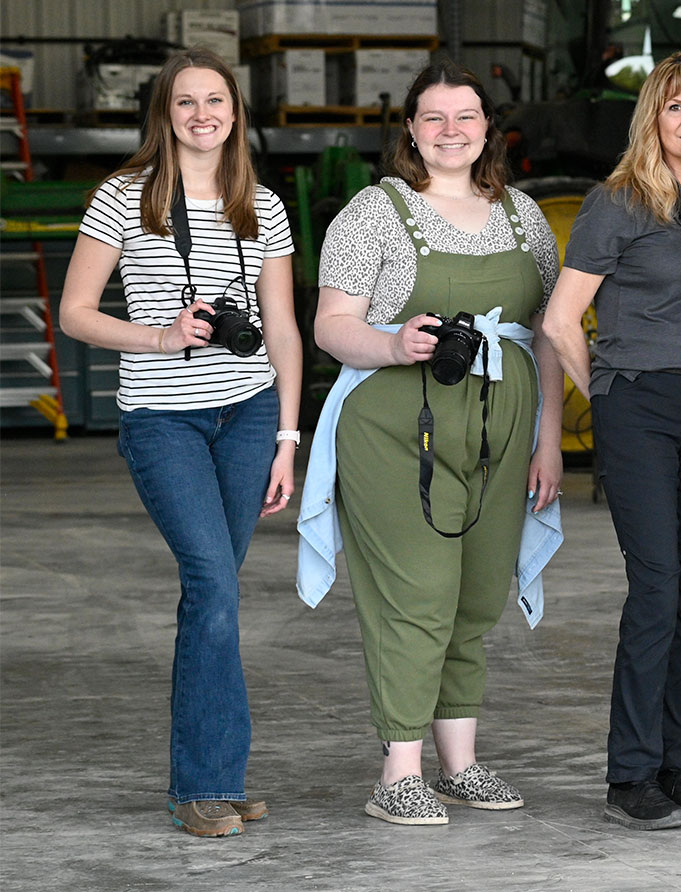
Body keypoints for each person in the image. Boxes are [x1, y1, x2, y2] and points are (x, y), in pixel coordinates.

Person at [304, 62, 565, 826]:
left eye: (466, 116)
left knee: (478, 595)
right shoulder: (373, 213)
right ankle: (399, 771)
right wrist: (393, 344)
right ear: (411, 131)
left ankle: (460, 766)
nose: (451, 130)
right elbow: (330, 325)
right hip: (394, 428)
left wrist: (549, 441)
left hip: (502, 429)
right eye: (434, 117)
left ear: (488, 127)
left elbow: (547, 336)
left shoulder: (525, 214)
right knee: (415, 595)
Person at [60, 48, 302, 837]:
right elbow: (74, 313)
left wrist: (289, 436)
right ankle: (201, 785)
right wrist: (163, 338)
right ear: (164, 114)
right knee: (212, 584)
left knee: (216, 595)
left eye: (218, 102)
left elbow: (283, 330)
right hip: (164, 421)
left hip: (250, 413)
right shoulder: (122, 199)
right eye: (187, 102)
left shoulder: (262, 205)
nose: (204, 114)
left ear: (236, 113)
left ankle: (219, 780)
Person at [541, 52, 681, 831]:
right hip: (639, 406)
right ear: (652, 121)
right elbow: (561, 319)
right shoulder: (619, 202)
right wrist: (600, 385)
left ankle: (675, 762)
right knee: (657, 586)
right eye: (675, 108)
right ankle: (629, 774)